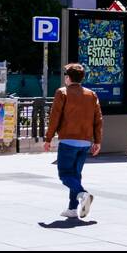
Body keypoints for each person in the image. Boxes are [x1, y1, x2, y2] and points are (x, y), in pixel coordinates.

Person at [44, 62, 103, 219]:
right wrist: (97, 141)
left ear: (68, 77)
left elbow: (54, 117)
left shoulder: (62, 93)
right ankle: (72, 208)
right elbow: (98, 119)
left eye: (65, 75)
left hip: (68, 140)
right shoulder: (91, 95)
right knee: (75, 175)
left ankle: (83, 194)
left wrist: (48, 138)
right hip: (85, 142)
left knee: (64, 174)